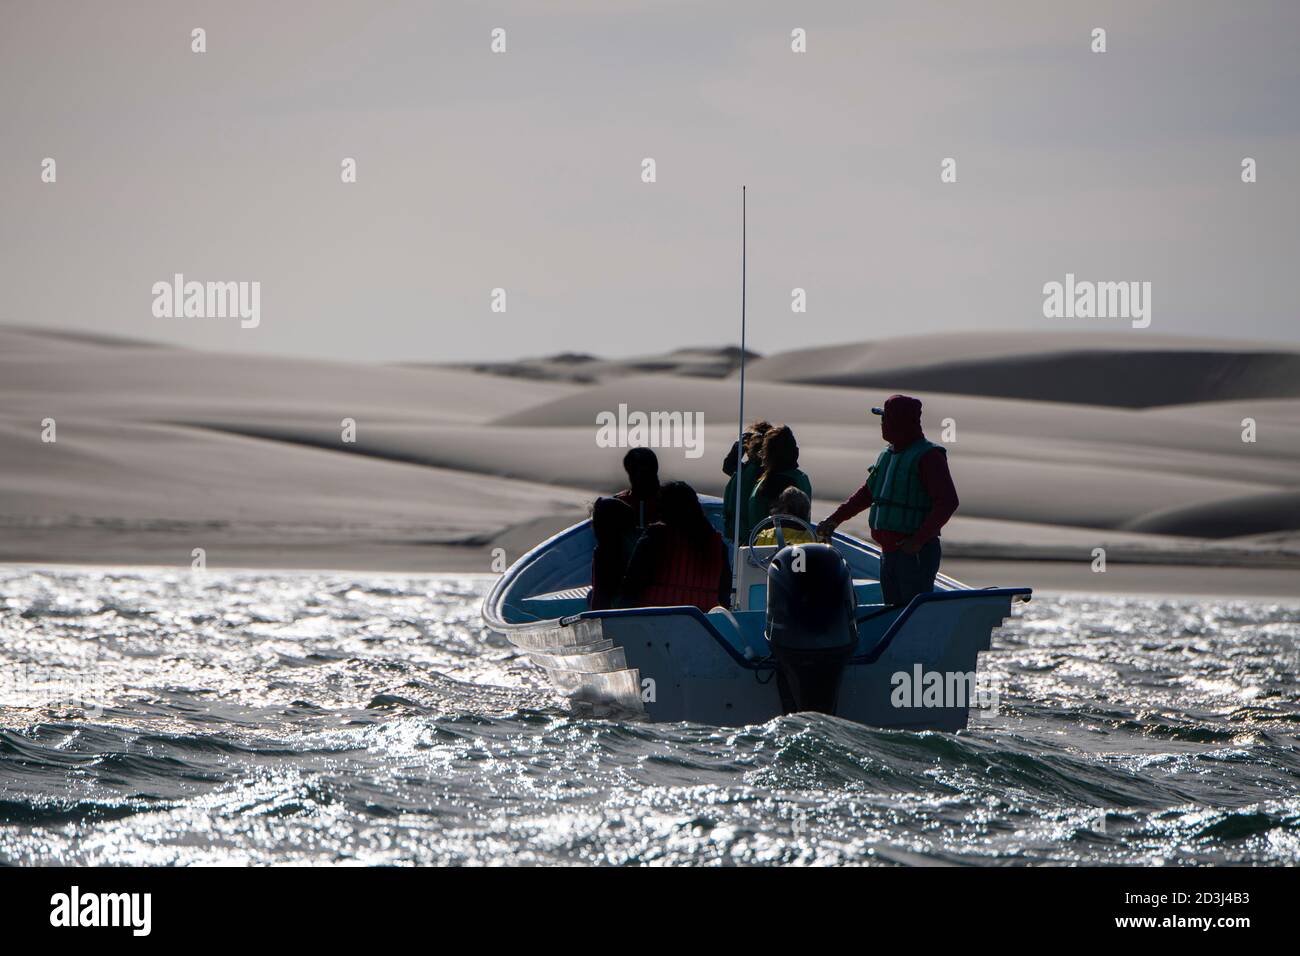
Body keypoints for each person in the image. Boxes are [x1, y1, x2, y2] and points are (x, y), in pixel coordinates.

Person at [816, 394, 958, 606]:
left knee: (910, 616)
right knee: (893, 612)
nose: (881, 424)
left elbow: (948, 502)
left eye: (885, 419)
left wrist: (918, 540)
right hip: (890, 553)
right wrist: (835, 520)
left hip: (914, 556)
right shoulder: (888, 455)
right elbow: (868, 493)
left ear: (897, 422)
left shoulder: (928, 456)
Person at [619, 481, 730, 612]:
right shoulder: (717, 545)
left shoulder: (656, 537)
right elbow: (724, 593)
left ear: (664, 508)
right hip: (702, 625)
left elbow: (632, 584)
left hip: (653, 623)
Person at [744, 424, 812, 542]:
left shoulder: (777, 482)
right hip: (794, 547)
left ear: (767, 453)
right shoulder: (800, 478)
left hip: (768, 548)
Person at [722, 420, 771, 542]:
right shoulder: (770, 471)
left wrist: (738, 445)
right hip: (756, 534)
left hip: (741, 534)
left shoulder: (745, 472)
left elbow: (728, 466)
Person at [588, 496, 636, 610]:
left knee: (591, 595)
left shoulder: (602, 552)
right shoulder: (639, 542)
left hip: (620, 609)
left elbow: (599, 597)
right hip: (639, 604)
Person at [613, 447, 661, 529]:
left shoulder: (671, 501)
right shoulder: (619, 502)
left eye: (644, 471)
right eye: (633, 470)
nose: (638, 475)